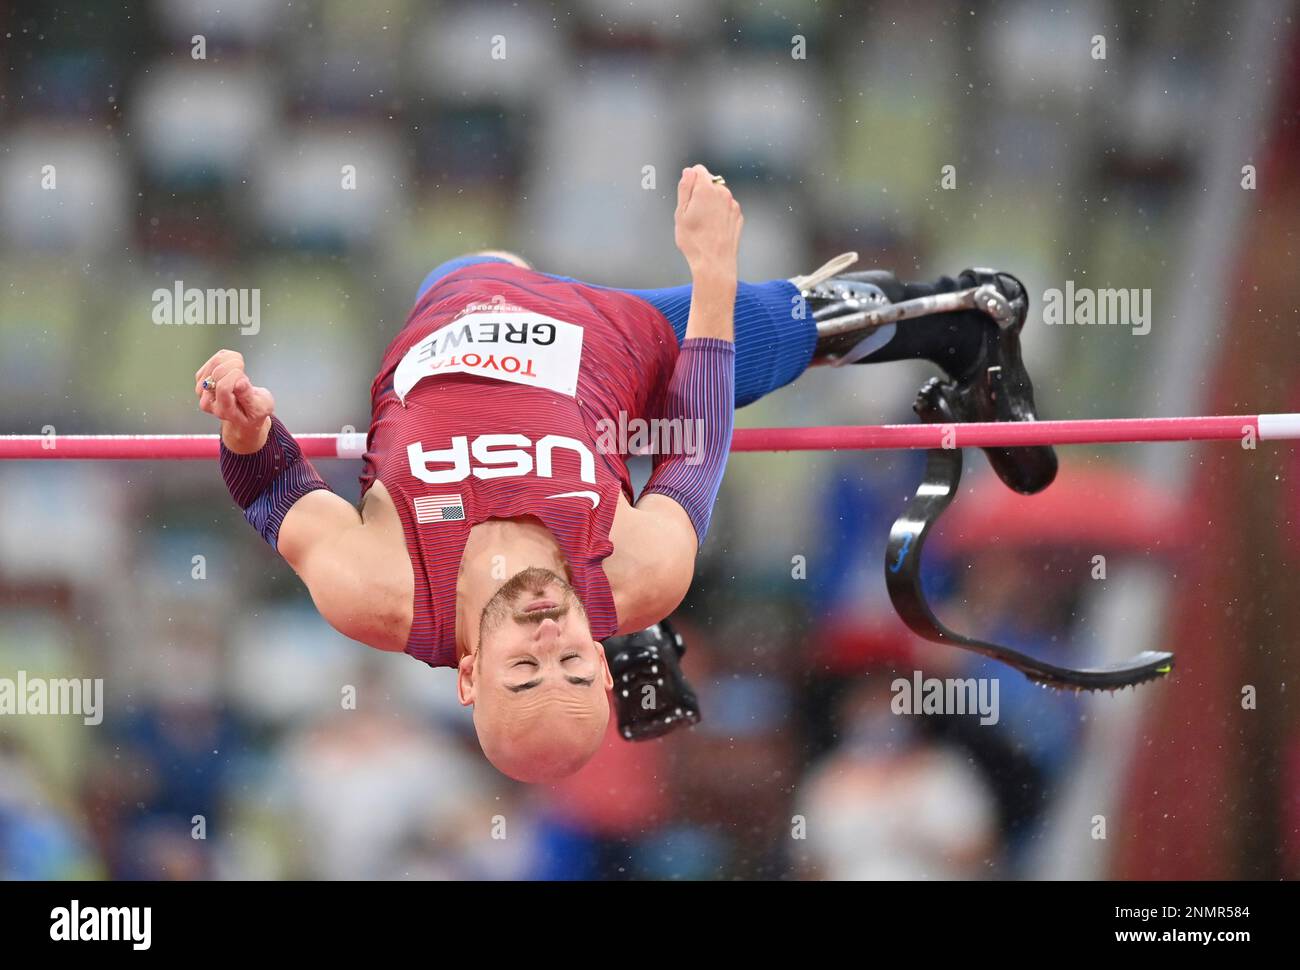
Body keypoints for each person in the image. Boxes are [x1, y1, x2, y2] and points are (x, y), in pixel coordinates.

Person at [195, 164, 1054, 783]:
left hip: (453, 300)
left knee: (472, 258)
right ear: (596, 666)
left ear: (465, 676)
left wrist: (247, 425)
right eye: (572, 665)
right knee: (766, 338)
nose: (546, 642)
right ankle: (969, 316)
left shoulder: (381, 590)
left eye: (524, 671)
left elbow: (277, 495)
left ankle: (950, 326)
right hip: (607, 343)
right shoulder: (643, 571)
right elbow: (698, 434)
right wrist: (713, 278)